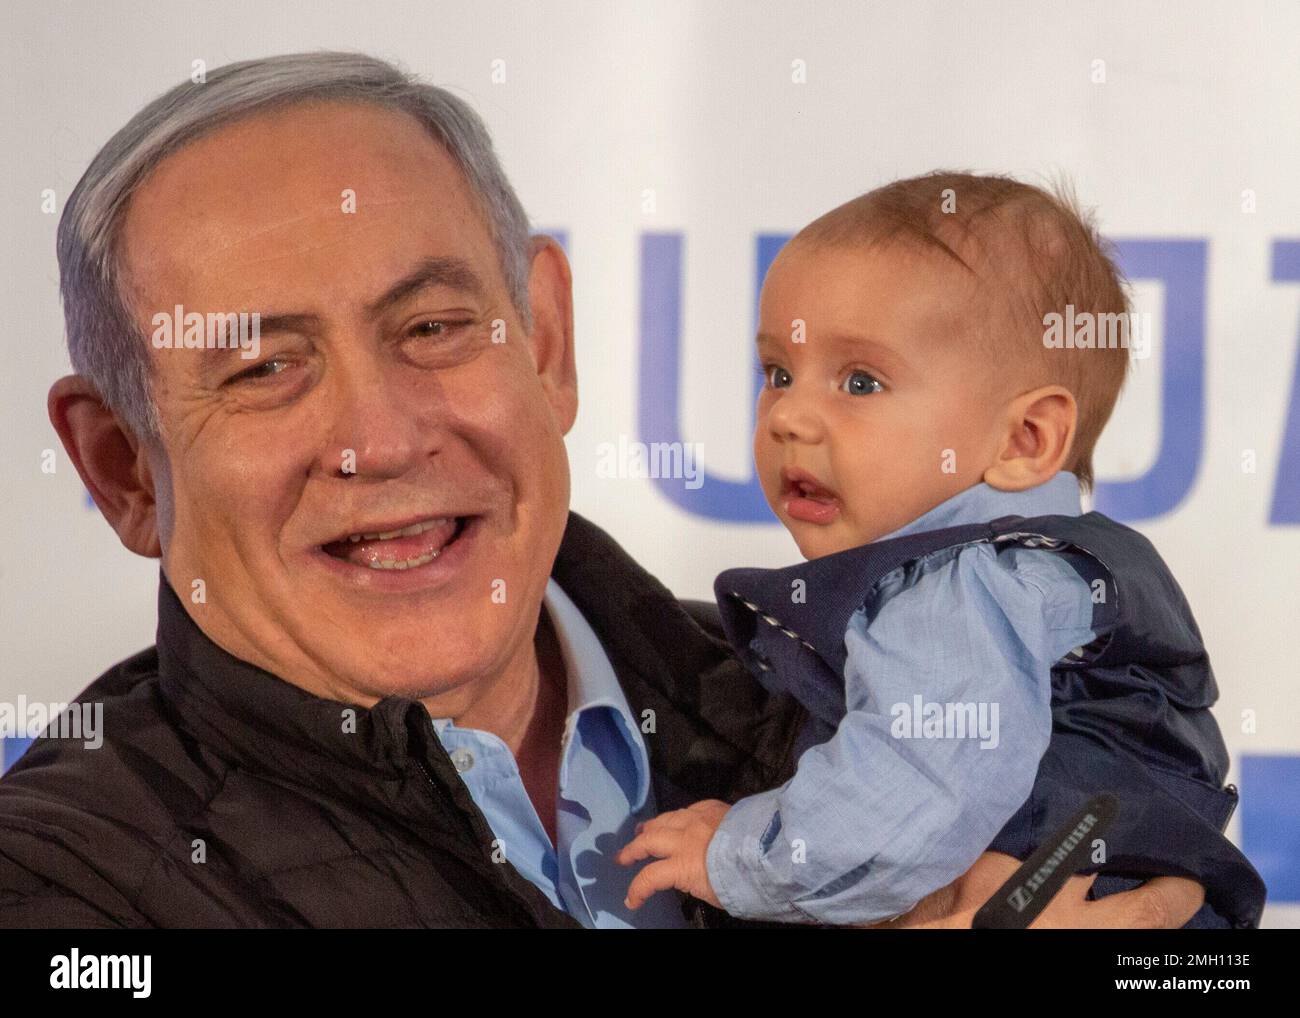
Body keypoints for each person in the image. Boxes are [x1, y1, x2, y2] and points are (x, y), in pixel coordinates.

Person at [0, 54, 1219, 928]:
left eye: (431, 325)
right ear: (123, 468)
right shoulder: (64, 884)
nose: (379, 435)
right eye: (263, 368)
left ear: (545, 344)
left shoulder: (843, 695)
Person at [617, 173, 1266, 927]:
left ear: (1024, 440)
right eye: (778, 373)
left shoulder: (953, 587)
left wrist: (736, 853)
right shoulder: (1061, 567)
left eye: (859, 381)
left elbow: (909, 793)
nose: (790, 414)